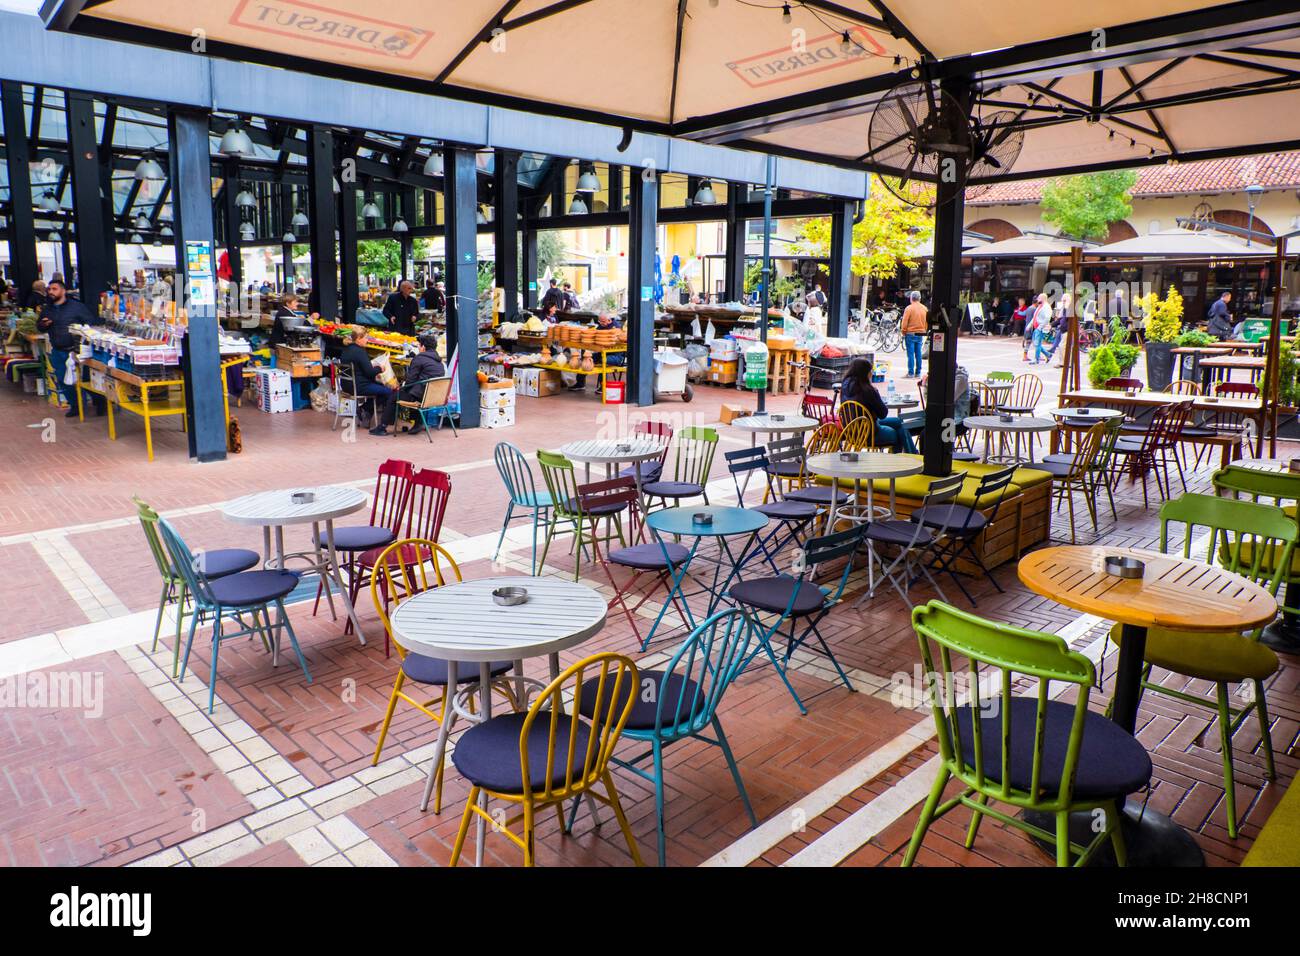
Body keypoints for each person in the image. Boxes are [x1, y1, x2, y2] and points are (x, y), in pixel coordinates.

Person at [36, 278, 105, 418]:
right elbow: (39, 326)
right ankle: (76, 406)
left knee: (87, 379)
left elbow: (91, 324)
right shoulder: (47, 309)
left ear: (63, 291)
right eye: (49, 289)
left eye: (54, 289)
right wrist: (43, 325)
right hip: (58, 350)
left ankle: (100, 402)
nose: (51, 292)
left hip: (77, 350)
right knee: (63, 379)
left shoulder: (76, 307)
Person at [838, 358, 917, 454]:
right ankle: (908, 457)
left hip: (851, 431)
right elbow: (883, 414)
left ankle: (911, 454)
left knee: (899, 421)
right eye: (871, 371)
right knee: (898, 432)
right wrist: (876, 394)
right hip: (869, 434)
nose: (871, 373)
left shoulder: (845, 386)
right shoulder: (868, 390)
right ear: (866, 373)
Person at [374, 333, 446, 435]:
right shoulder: (439, 362)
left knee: (394, 396)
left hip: (421, 395)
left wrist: (401, 386)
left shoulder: (419, 358)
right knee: (410, 393)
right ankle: (417, 423)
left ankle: (382, 427)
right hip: (433, 396)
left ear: (423, 347)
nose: (418, 347)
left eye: (419, 345)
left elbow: (410, 380)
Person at [339, 328, 396, 436]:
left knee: (382, 388)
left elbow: (361, 368)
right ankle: (381, 422)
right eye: (366, 338)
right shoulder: (360, 351)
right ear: (359, 339)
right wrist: (380, 369)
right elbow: (369, 372)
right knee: (389, 391)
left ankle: (365, 410)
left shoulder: (346, 350)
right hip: (359, 386)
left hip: (346, 385)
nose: (367, 340)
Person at [900, 290, 927, 377]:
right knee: (918, 353)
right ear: (919, 298)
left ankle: (911, 372)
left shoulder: (909, 308)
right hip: (921, 333)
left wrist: (903, 331)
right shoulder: (924, 308)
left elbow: (905, 321)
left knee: (910, 354)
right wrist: (924, 330)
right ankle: (918, 372)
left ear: (911, 298)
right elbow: (927, 322)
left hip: (910, 333)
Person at [1029, 293, 1053, 365]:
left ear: (1043, 299)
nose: (1037, 299)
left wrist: (1040, 327)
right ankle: (1048, 355)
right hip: (1037, 327)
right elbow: (1035, 317)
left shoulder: (1046, 307)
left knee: (1037, 343)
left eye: (1039, 298)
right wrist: (1030, 325)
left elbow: (1047, 318)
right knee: (1036, 343)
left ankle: (1036, 359)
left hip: (1041, 328)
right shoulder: (1040, 306)